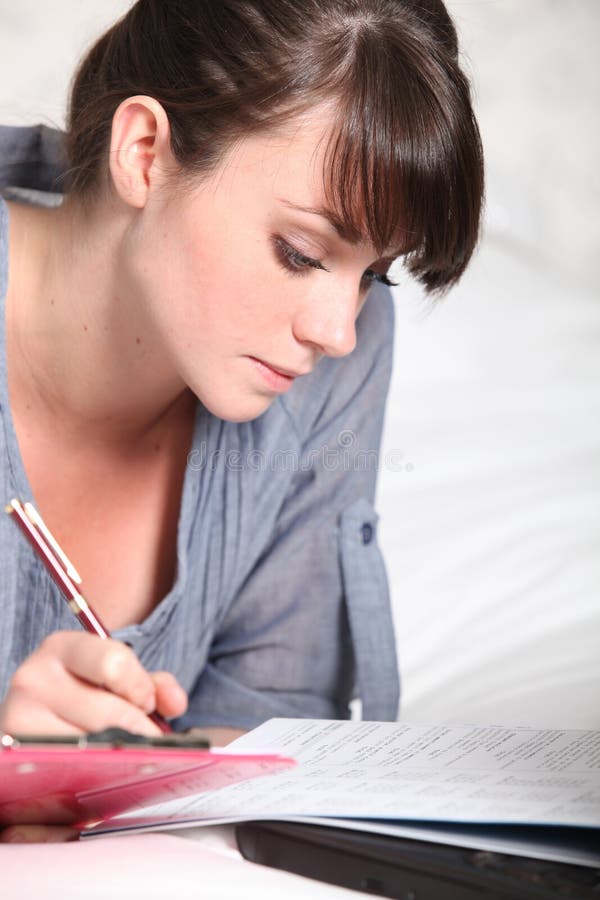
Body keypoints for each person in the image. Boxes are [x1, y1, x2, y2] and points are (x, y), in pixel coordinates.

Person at [0, 0, 483, 838]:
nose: (334, 331)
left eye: (375, 273)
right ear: (144, 153)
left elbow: (276, 719)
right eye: (299, 253)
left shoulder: (343, 353)